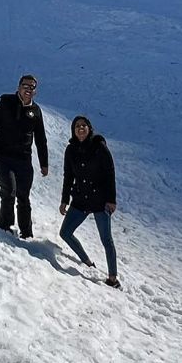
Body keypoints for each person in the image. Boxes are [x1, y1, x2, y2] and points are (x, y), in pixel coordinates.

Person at [0, 74, 49, 240]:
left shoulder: (36, 111)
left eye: (32, 87)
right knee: (8, 191)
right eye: (25, 86)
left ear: (35, 91)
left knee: (24, 197)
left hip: (24, 160)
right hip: (3, 156)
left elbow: (41, 138)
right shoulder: (5, 101)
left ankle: (26, 233)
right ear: (19, 86)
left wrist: (44, 163)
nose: (28, 90)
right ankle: (6, 228)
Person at [58, 115, 120, 287]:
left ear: (89, 128)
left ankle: (113, 278)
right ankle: (86, 262)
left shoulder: (99, 146)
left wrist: (111, 200)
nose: (80, 128)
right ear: (73, 130)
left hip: (100, 200)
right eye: (77, 126)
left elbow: (110, 173)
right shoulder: (71, 150)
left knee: (106, 240)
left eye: (84, 125)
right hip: (80, 199)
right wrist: (64, 199)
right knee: (65, 232)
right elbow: (68, 176)